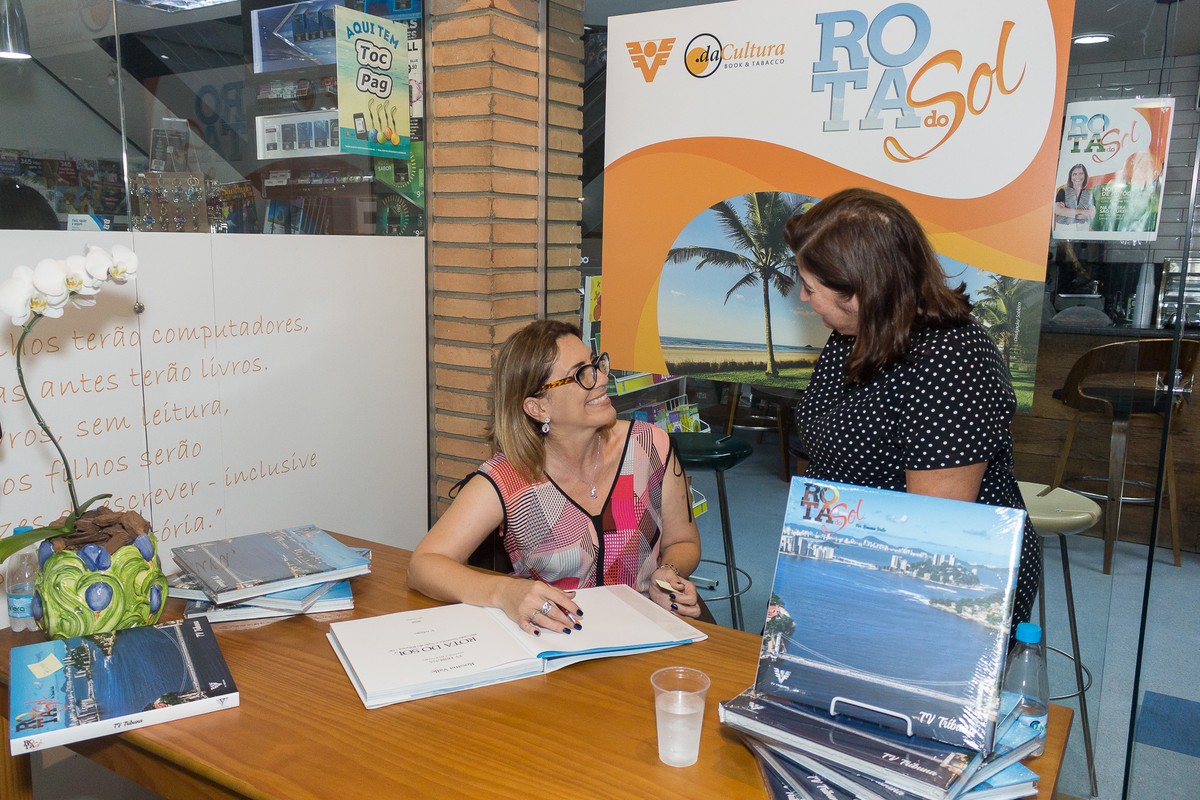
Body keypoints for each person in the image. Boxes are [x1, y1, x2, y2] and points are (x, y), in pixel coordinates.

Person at [785, 188, 1040, 629]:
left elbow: (934, 531)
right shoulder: (855, 334)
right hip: (858, 562)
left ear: (863, 291)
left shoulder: (952, 362)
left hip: (938, 588)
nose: (804, 299)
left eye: (810, 287)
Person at [408, 319, 705, 634]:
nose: (602, 378)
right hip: (561, 648)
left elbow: (683, 541)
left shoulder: (651, 446)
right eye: (581, 374)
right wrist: (504, 592)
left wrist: (667, 574)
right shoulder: (509, 477)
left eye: (596, 364)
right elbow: (423, 565)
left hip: (647, 634)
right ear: (537, 408)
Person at [1053, 163, 1095, 233]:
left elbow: (1091, 214)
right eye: (1074, 174)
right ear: (1070, 177)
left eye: (1081, 173)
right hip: (1063, 229)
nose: (1077, 177)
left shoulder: (1090, 194)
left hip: (1082, 230)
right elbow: (1058, 211)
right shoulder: (1063, 191)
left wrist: (1065, 211)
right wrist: (1084, 213)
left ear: (1085, 175)